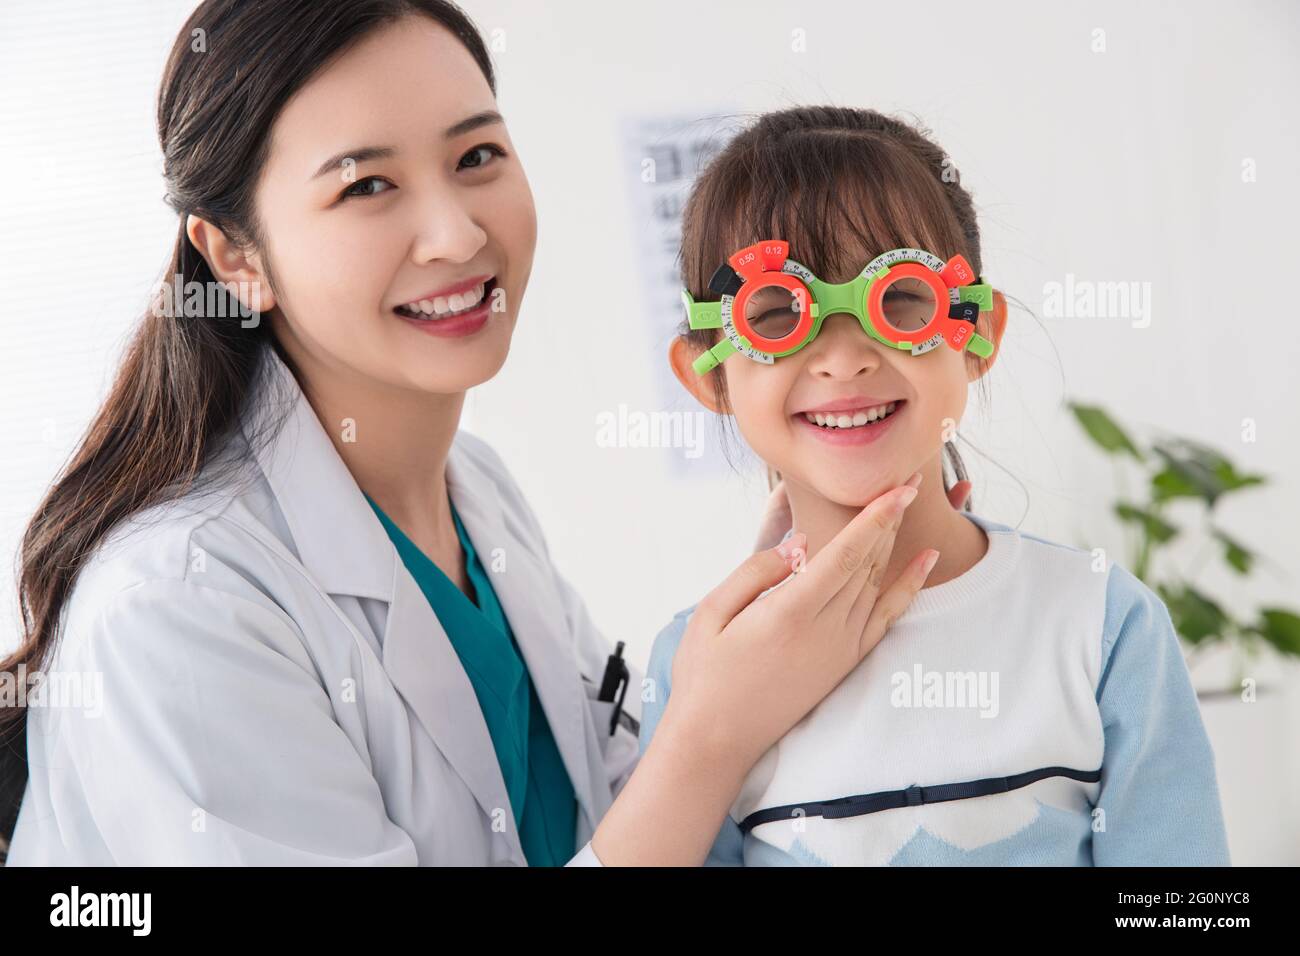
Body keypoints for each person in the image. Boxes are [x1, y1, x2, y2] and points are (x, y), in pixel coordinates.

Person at [0, 1, 943, 866]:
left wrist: (786, 599)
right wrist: (711, 736)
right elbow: (676, 783)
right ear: (237, 257)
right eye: (367, 186)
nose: (454, 234)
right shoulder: (179, 608)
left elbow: (624, 811)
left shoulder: (474, 493)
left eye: (476, 157)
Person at [641, 106, 1231, 866]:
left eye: (901, 299)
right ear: (708, 375)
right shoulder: (697, 663)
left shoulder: (1102, 625)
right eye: (779, 311)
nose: (843, 358)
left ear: (978, 333)